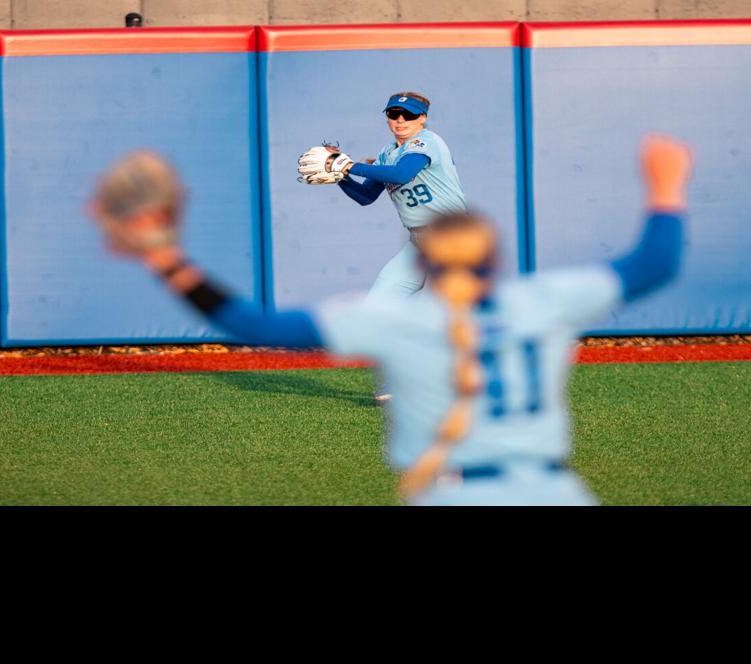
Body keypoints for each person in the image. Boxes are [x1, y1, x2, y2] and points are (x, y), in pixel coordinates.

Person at [91, 136, 692, 506]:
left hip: (454, 492)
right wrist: (666, 187)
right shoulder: (544, 301)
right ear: (498, 257)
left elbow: (259, 327)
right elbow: (655, 263)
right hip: (557, 492)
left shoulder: (400, 314)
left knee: (382, 307)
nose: (400, 123)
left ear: (432, 259)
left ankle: (395, 378)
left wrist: (165, 257)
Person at [298, 92, 469, 298]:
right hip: (419, 242)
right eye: (394, 113)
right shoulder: (387, 153)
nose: (400, 120)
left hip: (452, 239)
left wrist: (350, 166)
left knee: (446, 311)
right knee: (378, 303)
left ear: (422, 118)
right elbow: (365, 196)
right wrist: (340, 175)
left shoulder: (426, 142)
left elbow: (401, 174)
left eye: (409, 114)